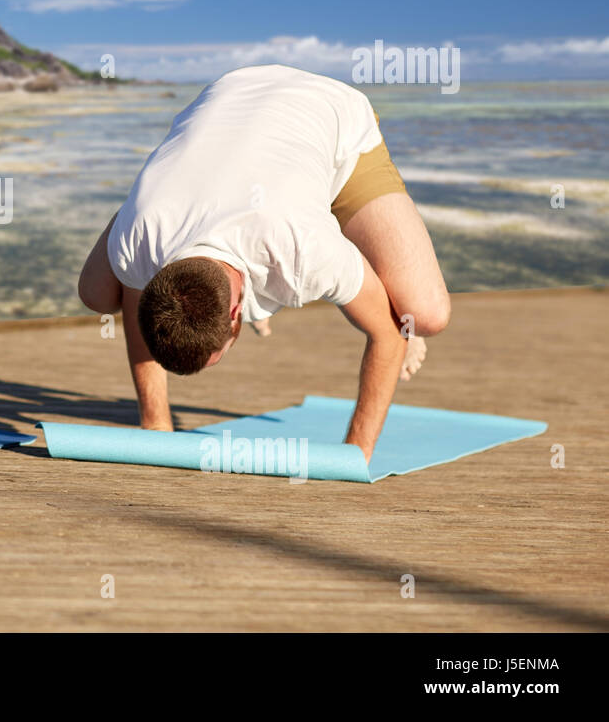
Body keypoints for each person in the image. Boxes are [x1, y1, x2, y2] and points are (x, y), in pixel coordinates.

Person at [76, 63, 451, 461]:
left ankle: (383, 292)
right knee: (96, 293)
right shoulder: (142, 238)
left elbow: (386, 336)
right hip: (227, 103)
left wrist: (355, 453)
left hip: (328, 113)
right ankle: (150, 207)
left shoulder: (304, 250)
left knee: (422, 314)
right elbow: (138, 292)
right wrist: (156, 423)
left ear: (236, 313)